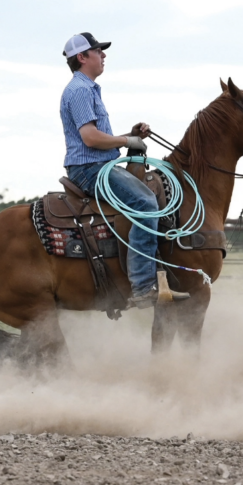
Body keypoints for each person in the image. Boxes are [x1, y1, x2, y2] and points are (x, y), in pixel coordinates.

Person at [59, 32, 189, 309]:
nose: (103, 55)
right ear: (82, 57)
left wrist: (129, 136)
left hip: (96, 164)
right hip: (89, 169)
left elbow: (98, 139)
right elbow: (90, 138)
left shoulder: (87, 89)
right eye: (98, 51)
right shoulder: (80, 90)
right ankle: (142, 287)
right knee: (145, 202)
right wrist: (127, 142)